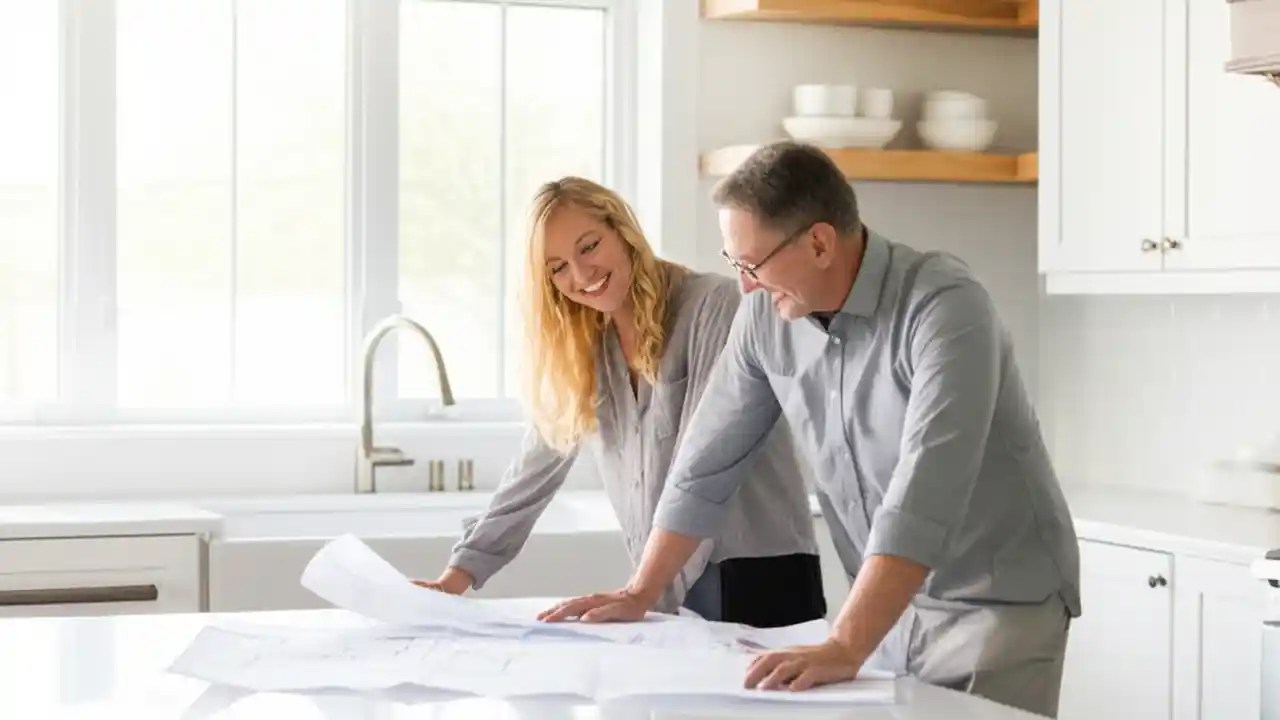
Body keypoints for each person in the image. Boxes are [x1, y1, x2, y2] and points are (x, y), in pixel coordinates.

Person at [538, 143, 1082, 718]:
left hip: (994, 608)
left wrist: (845, 643)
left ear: (819, 242)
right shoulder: (765, 317)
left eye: (751, 264)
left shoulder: (945, 307)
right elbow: (705, 464)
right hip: (887, 609)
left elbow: (925, 495)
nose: (744, 285)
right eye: (734, 264)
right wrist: (640, 592)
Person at [414, 176, 826, 628]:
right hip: (665, 582)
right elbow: (535, 466)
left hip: (756, 572)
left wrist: (642, 590)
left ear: (621, 229)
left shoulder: (715, 306)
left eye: (589, 246)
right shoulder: (589, 347)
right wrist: (456, 577)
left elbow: (705, 461)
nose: (581, 274)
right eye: (558, 268)